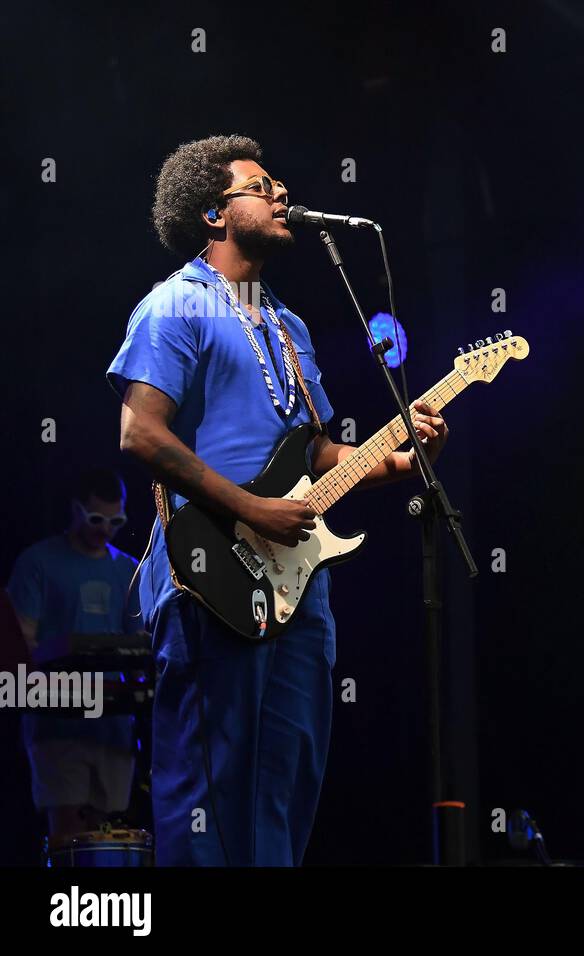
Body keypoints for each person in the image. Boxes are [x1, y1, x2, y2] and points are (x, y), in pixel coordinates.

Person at [107, 135, 449, 865]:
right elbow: (141, 432)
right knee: (208, 783)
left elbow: (318, 455)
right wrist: (249, 508)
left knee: (285, 779)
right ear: (213, 214)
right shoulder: (174, 305)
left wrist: (398, 456)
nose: (282, 192)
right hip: (209, 570)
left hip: (296, 580)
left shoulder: (288, 326)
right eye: (260, 186)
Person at [5, 468, 139, 844]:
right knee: (68, 835)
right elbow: (21, 649)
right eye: (96, 519)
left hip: (113, 729)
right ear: (76, 510)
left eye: (116, 521)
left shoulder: (127, 569)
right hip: (57, 727)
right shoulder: (39, 563)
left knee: (109, 835)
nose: (106, 529)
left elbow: (140, 644)